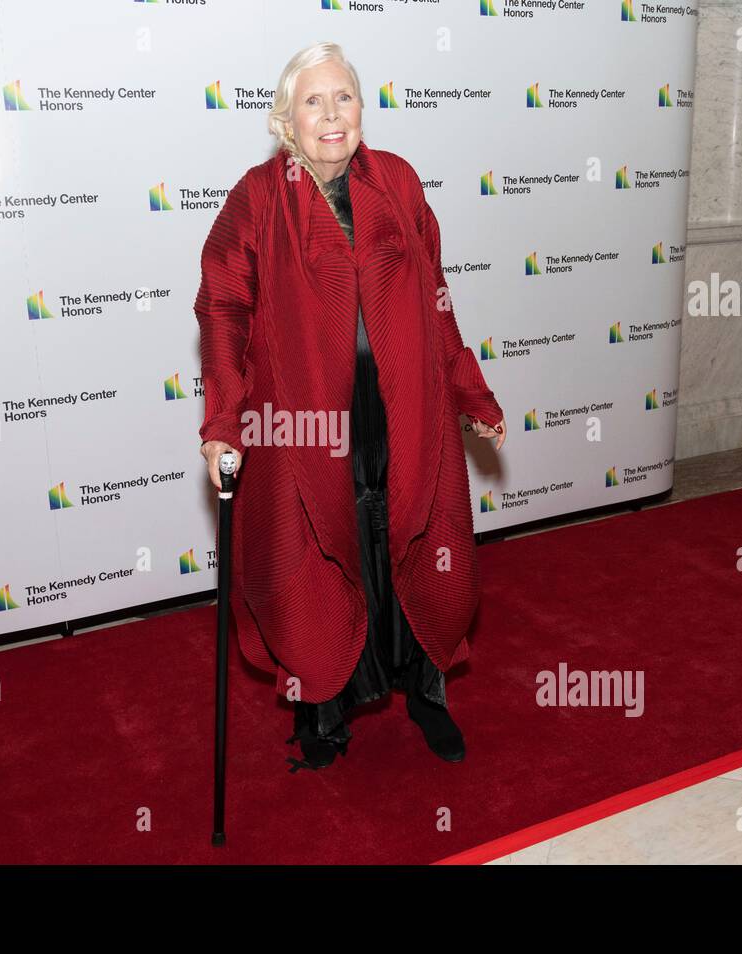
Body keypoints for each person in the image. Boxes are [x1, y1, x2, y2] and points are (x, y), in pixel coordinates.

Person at [196, 41, 505, 772]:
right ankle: (322, 717)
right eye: (314, 101)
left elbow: (436, 295)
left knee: (420, 551)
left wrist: (468, 388)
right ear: (285, 119)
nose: (332, 115)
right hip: (306, 422)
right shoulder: (257, 198)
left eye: (345, 98)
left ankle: (427, 694)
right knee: (314, 566)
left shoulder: (395, 180)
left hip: (406, 408)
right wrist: (221, 425)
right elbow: (223, 312)